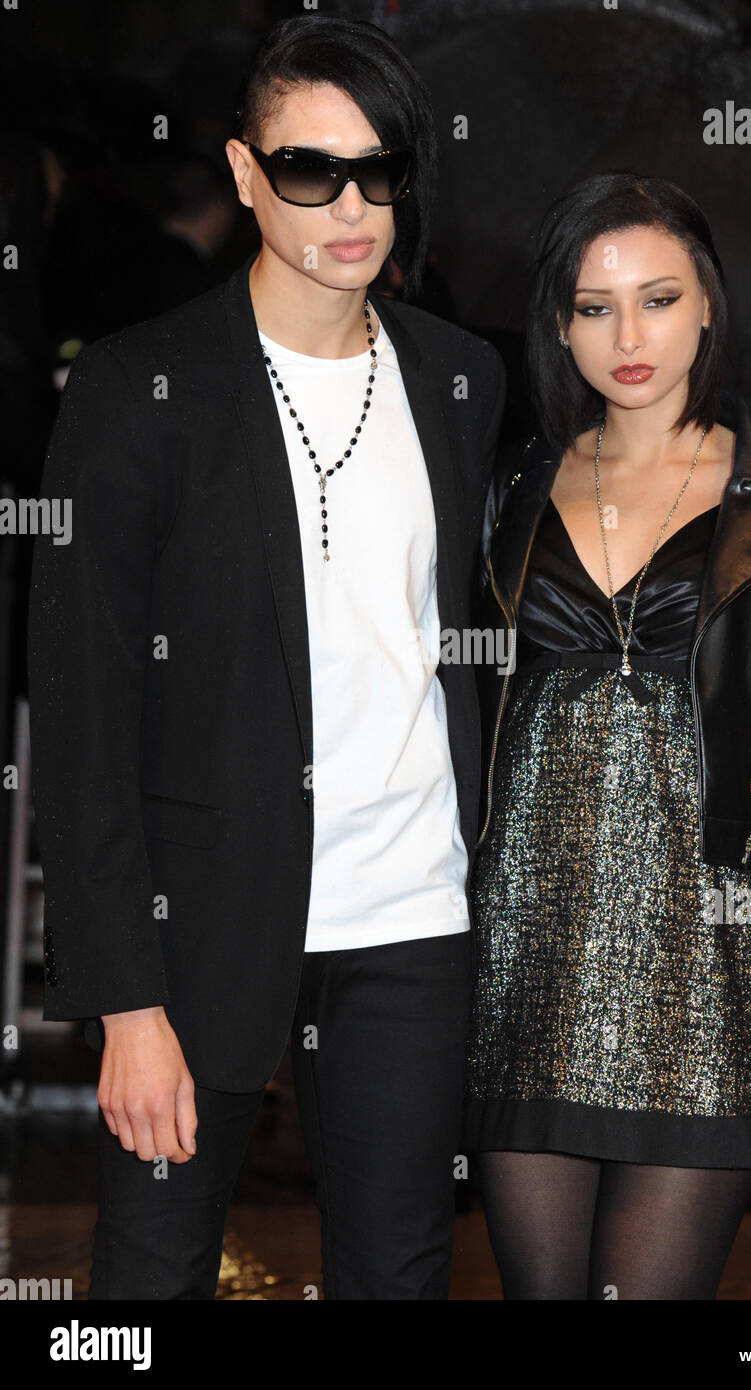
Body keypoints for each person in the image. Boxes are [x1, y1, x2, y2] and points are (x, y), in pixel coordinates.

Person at [28, 14, 505, 1300]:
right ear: (245, 172)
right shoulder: (139, 391)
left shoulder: (462, 385)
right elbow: (82, 720)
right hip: (202, 925)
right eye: (310, 170)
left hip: (416, 912)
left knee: (400, 1271)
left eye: (380, 167)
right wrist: (125, 1003)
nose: (350, 204)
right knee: (146, 1279)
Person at [463, 172, 751, 1300]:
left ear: (707, 309)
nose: (627, 335)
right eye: (594, 307)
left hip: (706, 951)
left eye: (657, 298)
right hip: (525, 942)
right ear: (557, 322)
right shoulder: (510, 486)